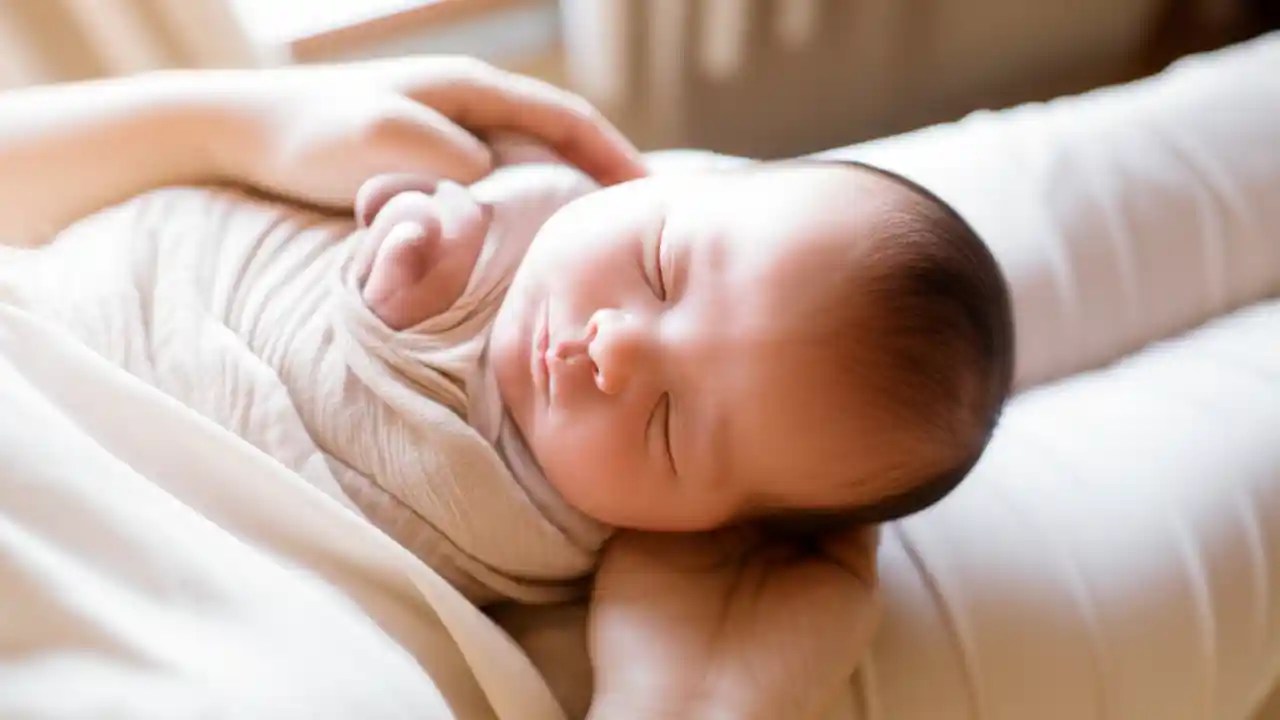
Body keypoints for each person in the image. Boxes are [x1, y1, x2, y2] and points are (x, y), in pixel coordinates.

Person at [0, 57, 920, 719]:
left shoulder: (563, 537)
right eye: (662, 265)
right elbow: (385, 271)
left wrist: (698, 697)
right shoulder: (523, 200)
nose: (615, 348)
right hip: (112, 307)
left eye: (672, 427)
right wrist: (265, 133)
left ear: (702, 527)